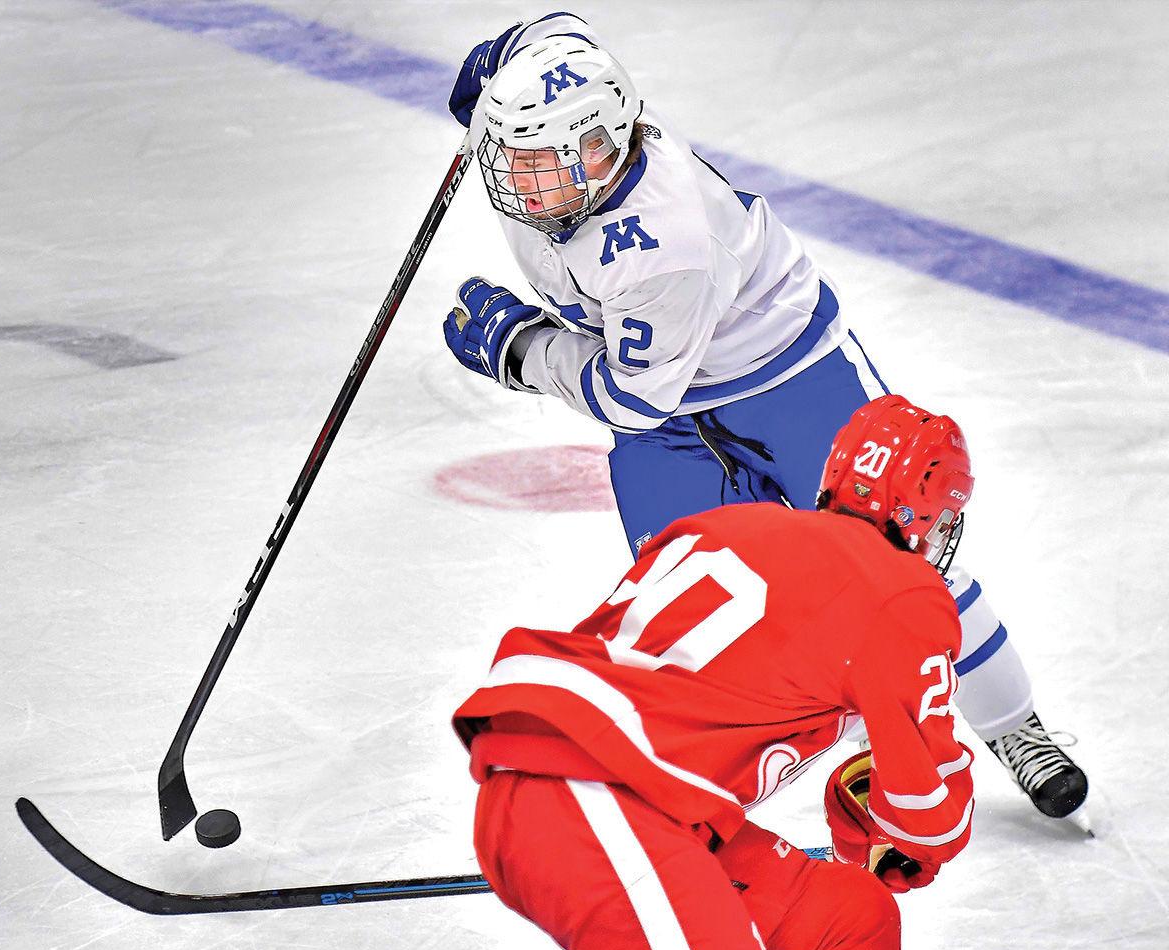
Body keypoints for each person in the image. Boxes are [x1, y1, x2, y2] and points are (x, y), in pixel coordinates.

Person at [441, 12, 1086, 822]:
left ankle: (1013, 726)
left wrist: (526, 352)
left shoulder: (660, 245)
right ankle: (689, 779)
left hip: (788, 381)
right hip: (669, 407)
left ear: (601, 150)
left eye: (536, 164)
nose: (514, 184)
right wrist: (510, 61)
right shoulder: (567, 159)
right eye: (511, 159)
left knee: (906, 571)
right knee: (684, 606)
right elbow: (561, 26)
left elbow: (633, 396)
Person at [453, 396, 976, 950]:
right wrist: (882, 823)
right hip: (604, 802)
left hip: (584, 792)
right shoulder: (898, 591)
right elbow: (929, 818)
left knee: (851, 923)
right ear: (919, 511)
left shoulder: (725, 525)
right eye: (945, 520)